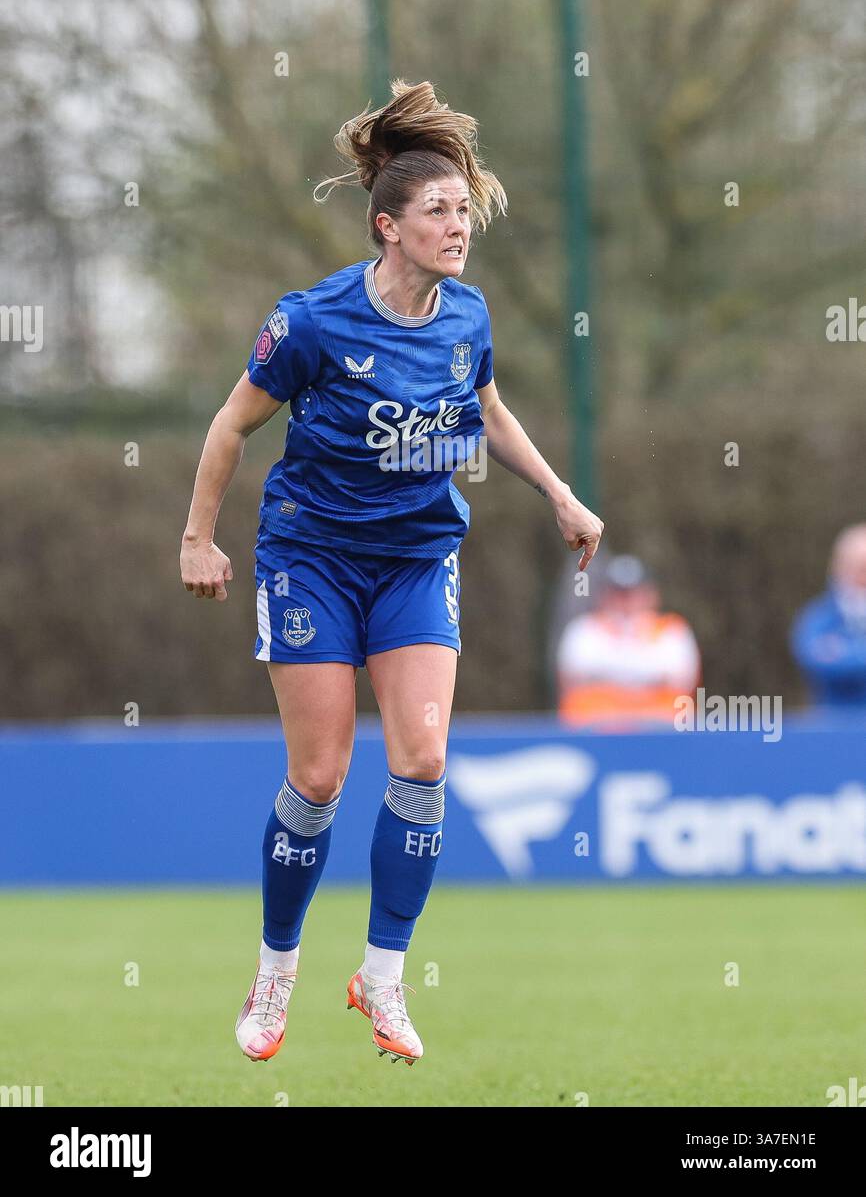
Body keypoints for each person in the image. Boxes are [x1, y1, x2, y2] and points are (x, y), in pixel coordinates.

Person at [179, 79, 603, 1067]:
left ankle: (381, 975)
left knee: (420, 760)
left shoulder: (466, 317)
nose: (459, 225)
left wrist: (557, 492)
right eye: (438, 212)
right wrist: (196, 538)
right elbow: (232, 423)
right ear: (387, 227)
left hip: (416, 560)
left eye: (463, 209)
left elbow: (488, 414)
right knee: (319, 776)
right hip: (313, 561)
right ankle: (275, 971)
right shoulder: (313, 322)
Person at [556, 554, 699, 729]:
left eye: (633, 594)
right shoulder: (584, 629)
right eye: (618, 594)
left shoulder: (672, 629)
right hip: (599, 720)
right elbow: (573, 675)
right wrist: (647, 674)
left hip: (659, 721)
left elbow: (681, 678)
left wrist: (606, 673)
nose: (626, 602)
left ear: (651, 595)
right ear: (604, 596)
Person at [791, 524, 866, 706]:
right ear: (839, 567)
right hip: (835, 728)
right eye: (861, 567)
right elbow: (818, 662)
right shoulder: (818, 617)